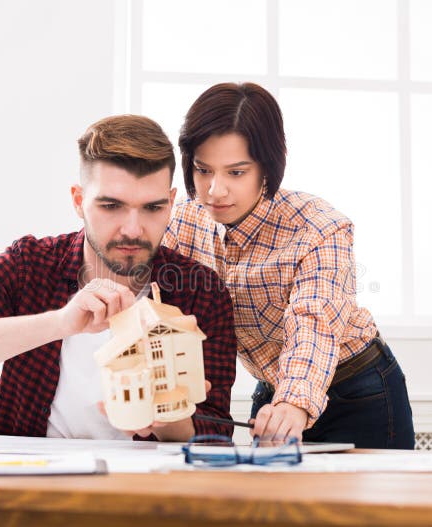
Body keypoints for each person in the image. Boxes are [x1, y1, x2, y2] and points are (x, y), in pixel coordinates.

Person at [0, 115, 237, 441]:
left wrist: (166, 419)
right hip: (31, 481)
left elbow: (215, 432)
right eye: (111, 206)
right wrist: (61, 323)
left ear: (171, 203)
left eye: (152, 208)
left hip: (144, 490)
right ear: (79, 201)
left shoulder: (201, 291)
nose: (133, 229)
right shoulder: (29, 264)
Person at [163, 83, 414, 448]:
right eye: (203, 170)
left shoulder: (319, 226)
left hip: (359, 392)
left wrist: (295, 403)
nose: (215, 190)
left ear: (267, 167)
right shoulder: (182, 220)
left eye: (236, 172)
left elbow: (314, 320)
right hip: (274, 390)